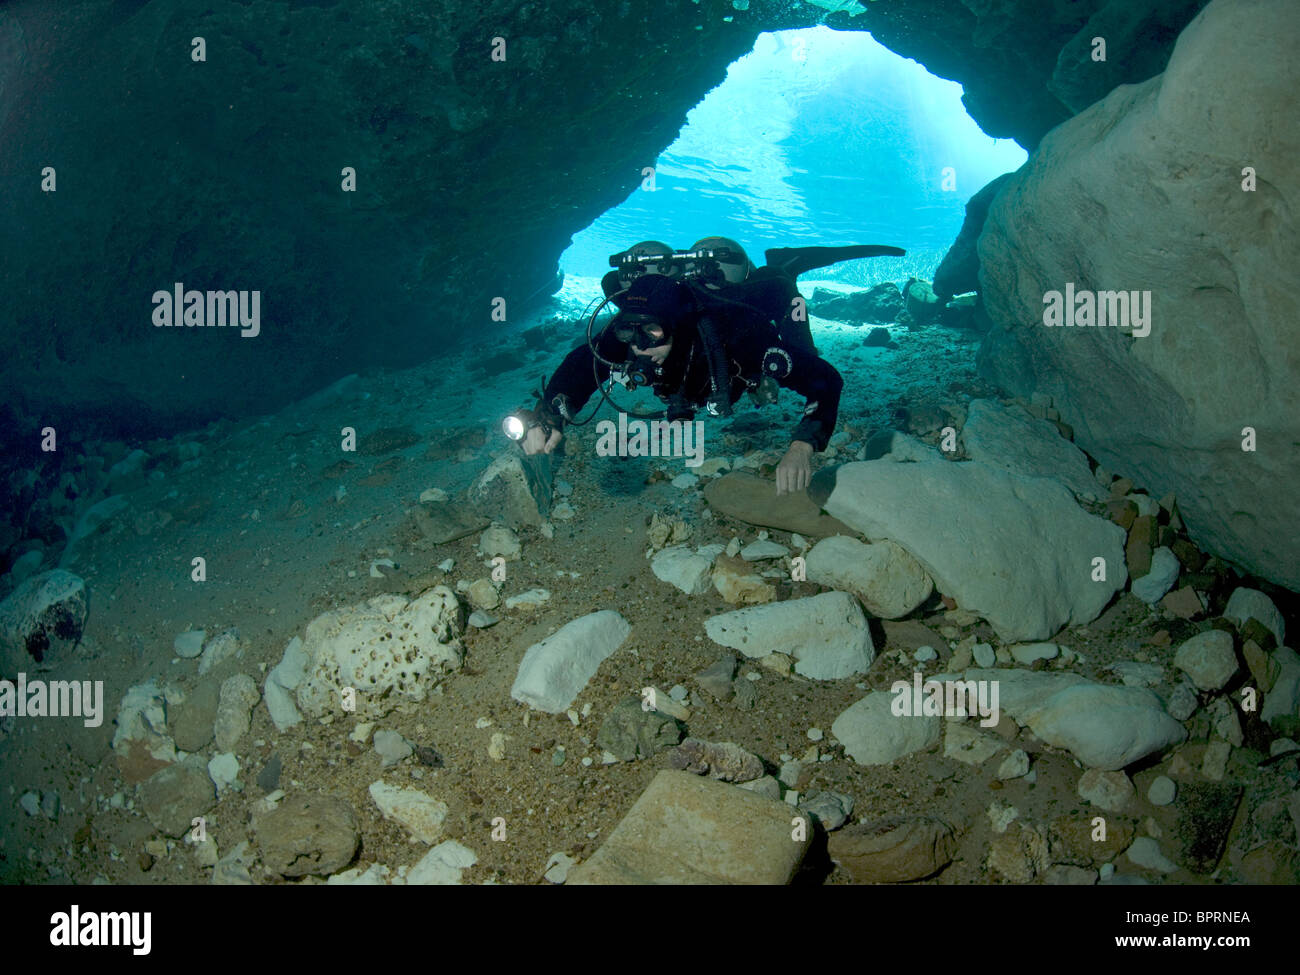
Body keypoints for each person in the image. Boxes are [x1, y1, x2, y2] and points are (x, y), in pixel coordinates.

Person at [518, 273, 843, 496]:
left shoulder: (738, 339)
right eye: (629, 334)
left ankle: (784, 265)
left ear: (678, 326)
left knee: (802, 352)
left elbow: (826, 381)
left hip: (774, 295)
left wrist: (802, 447)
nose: (640, 347)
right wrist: (548, 418)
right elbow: (579, 366)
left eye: (653, 332)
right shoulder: (632, 332)